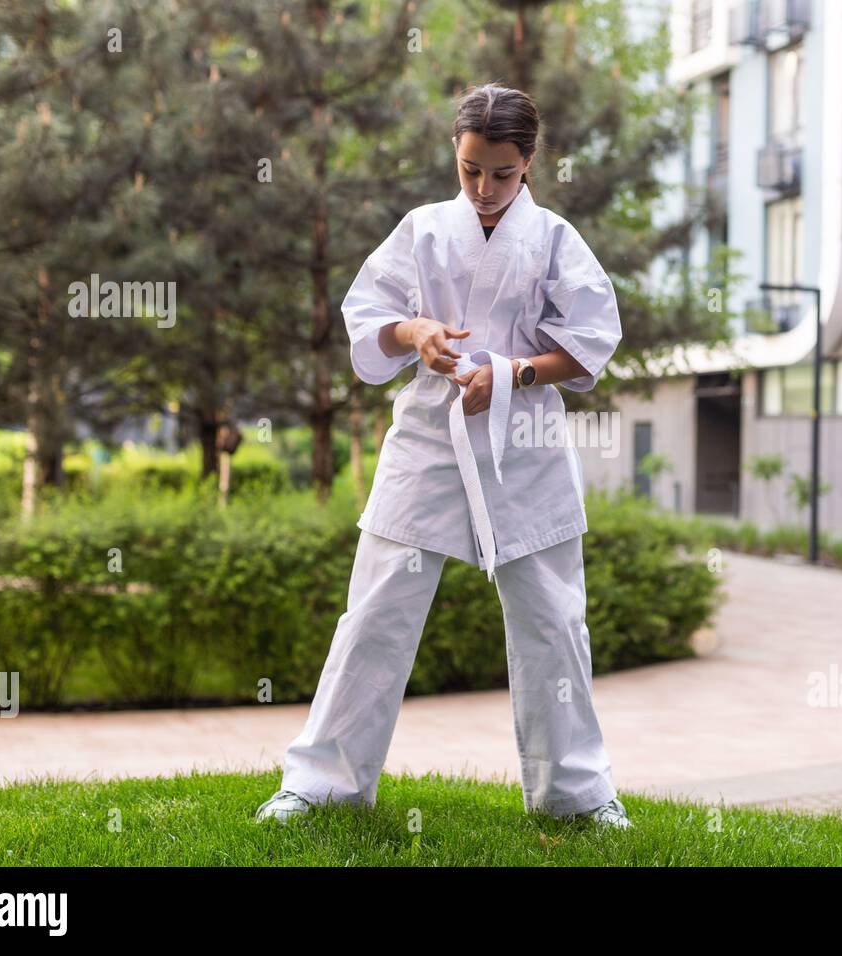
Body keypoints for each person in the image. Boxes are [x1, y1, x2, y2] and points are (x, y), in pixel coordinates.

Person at [255, 83, 629, 830]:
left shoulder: (554, 238)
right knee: (375, 612)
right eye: (470, 171)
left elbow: (592, 341)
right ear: (455, 158)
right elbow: (369, 317)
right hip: (429, 438)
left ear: (529, 163)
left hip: (522, 444)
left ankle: (578, 797)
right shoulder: (423, 230)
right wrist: (414, 330)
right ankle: (322, 783)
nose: (485, 190)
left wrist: (515, 372)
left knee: (554, 621)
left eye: (502, 174)